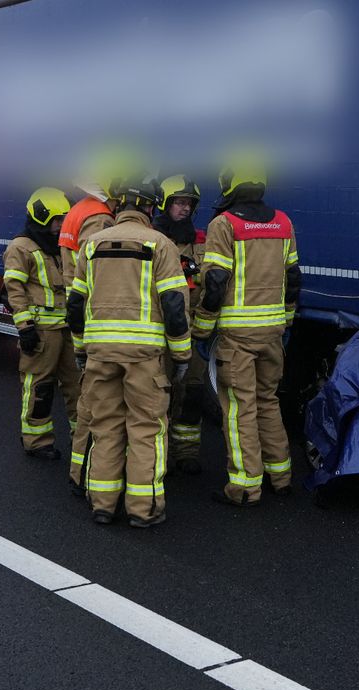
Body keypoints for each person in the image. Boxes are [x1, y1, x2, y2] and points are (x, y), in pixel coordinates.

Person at [66, 174, 191, 527]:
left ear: (119, 205)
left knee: (105, 427)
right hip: (144, 356)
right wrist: (181, 356)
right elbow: (174, 306)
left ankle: (102, 504)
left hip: (100, 353)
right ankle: (143, 510)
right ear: (150, 207)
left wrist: (80, 349)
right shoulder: (161, 244)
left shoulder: (91, 245)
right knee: (146, 430)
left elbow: (75, 304)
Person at [192, 166, 301, 505]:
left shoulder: (224, 224)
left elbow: (214, 283)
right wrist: (285, 322)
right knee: (269, 402)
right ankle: (280, 476)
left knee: (240, 409)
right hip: (272, 332)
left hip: (238, 335)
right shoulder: (283, 222)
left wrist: (203, 327)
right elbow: (293, 278)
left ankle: (244, 487)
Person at [3, 187, 80, 459]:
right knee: (40, 388)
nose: (61, 225)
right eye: (57, 220)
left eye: (64, 219)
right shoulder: (21, 248)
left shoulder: (63, 246)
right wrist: (25, 328)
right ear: (41, 217)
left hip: (69, 329)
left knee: (78, 386)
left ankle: (82, 442)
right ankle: (37, 441)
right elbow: (14, 290)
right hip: (42, 332)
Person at [59, 177, 120, 493]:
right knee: (100, 408)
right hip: (97, 318)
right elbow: (101, 271)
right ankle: (93, 478)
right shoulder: (99, 216)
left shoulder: (80, 209)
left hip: (83, 317)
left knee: (88, 405)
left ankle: (79, 472)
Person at [153, 175, 207, 474]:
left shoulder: (201, 241)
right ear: (165, 204)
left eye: (189, 204)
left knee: (192, 393)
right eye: (179, 203)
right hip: (158, 332)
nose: (184, 209)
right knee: (158, 395)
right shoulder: (151, 239)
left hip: (193, 330)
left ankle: (186, 452)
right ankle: (156, 456)